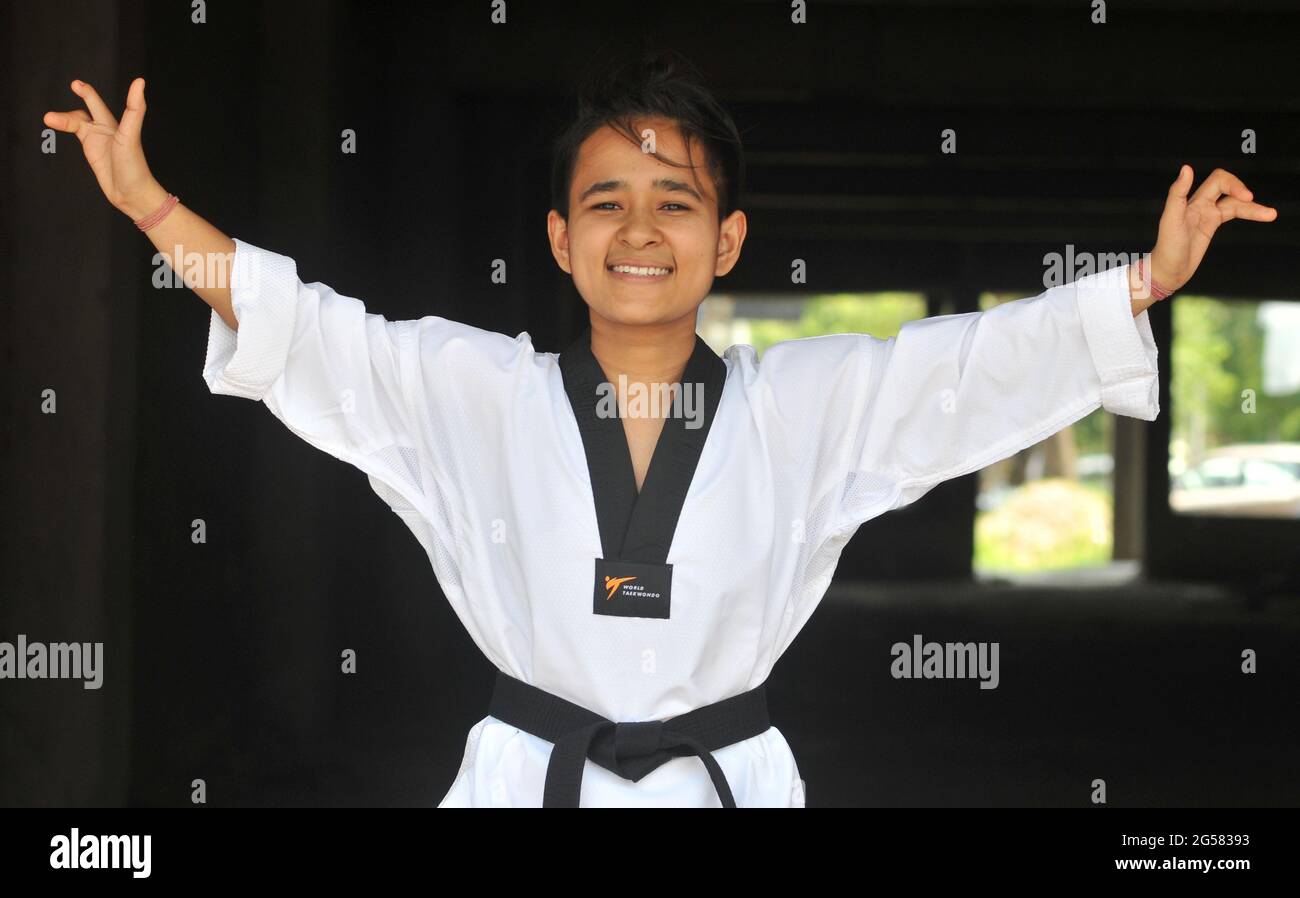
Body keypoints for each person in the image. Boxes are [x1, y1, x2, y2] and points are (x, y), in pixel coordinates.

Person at [44, 51, 1277, 807]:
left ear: (727, 242)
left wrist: (1137, 287)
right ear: (559, 239)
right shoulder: (471, 389)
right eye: (606, 203)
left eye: (674, 203)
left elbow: (969, 368)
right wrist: (152, 207)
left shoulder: (808, 402)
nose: (640, 231)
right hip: (528, 787)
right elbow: (309, 328)